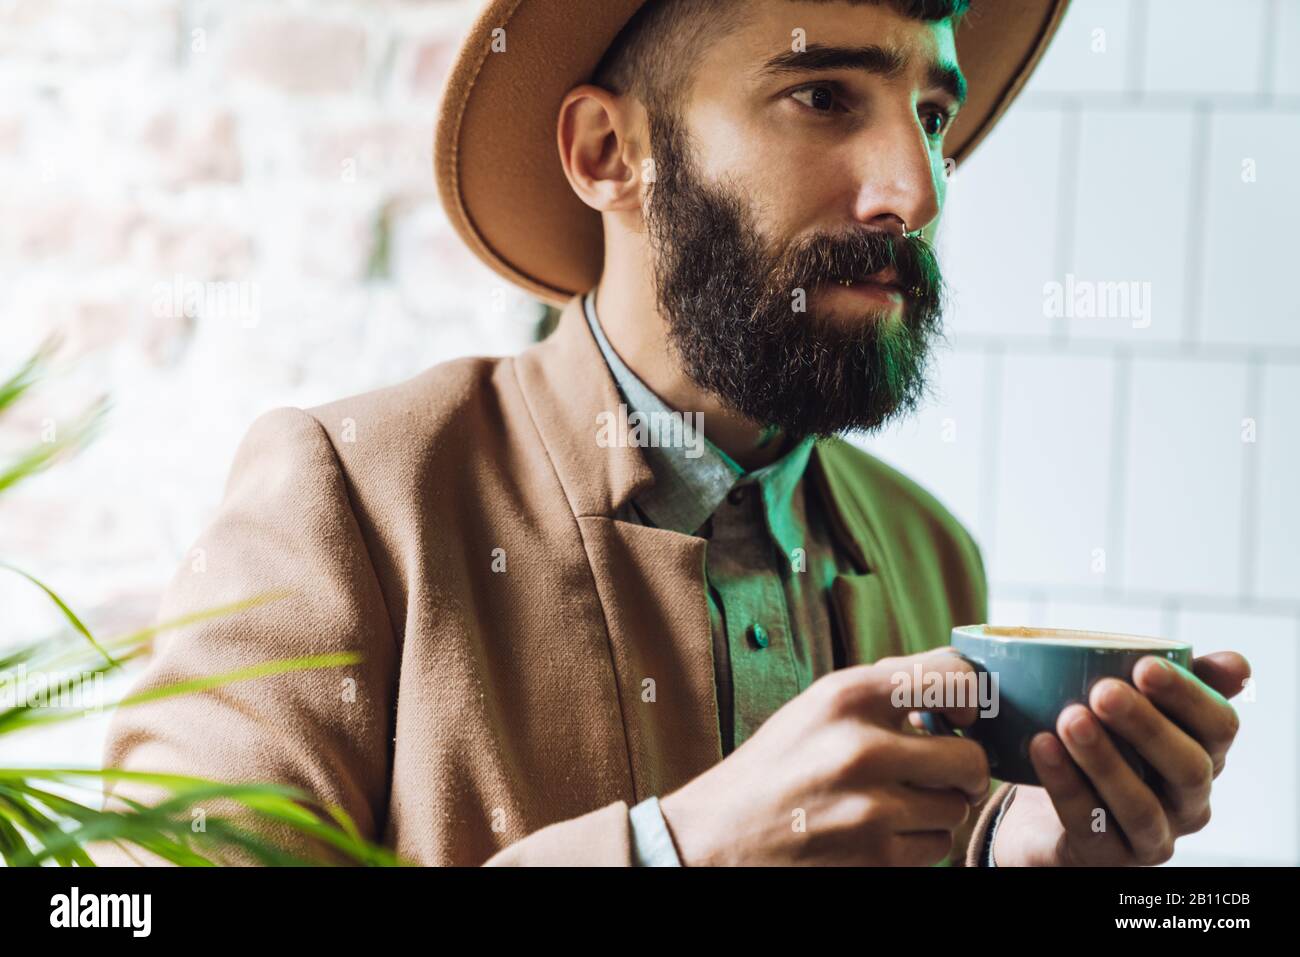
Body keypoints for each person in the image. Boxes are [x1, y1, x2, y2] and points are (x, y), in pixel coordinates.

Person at [96, 0, 1248, 867]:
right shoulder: (347, 495)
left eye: (931, 115)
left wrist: (1022, 852)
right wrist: (670, 851)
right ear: (608, 153)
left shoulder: (929, 551)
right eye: (822, 96)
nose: (916, 187)